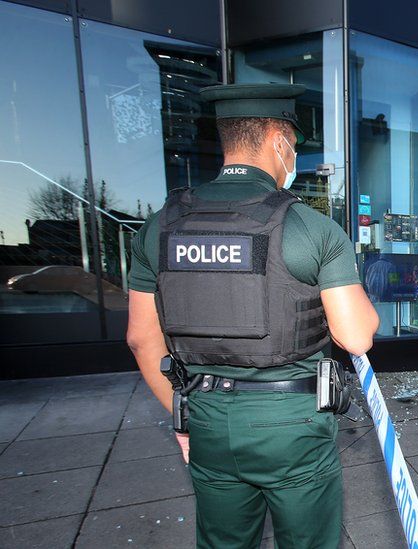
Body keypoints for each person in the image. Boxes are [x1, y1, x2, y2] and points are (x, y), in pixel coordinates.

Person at [125, 83, 379, 549]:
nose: (294, 157)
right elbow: (357, 336)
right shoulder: (311, 228)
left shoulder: (161, 225)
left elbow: (143, 340)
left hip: (206, 415)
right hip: (293, 426)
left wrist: (185, 417)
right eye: (294, 147)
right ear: (278, 141)